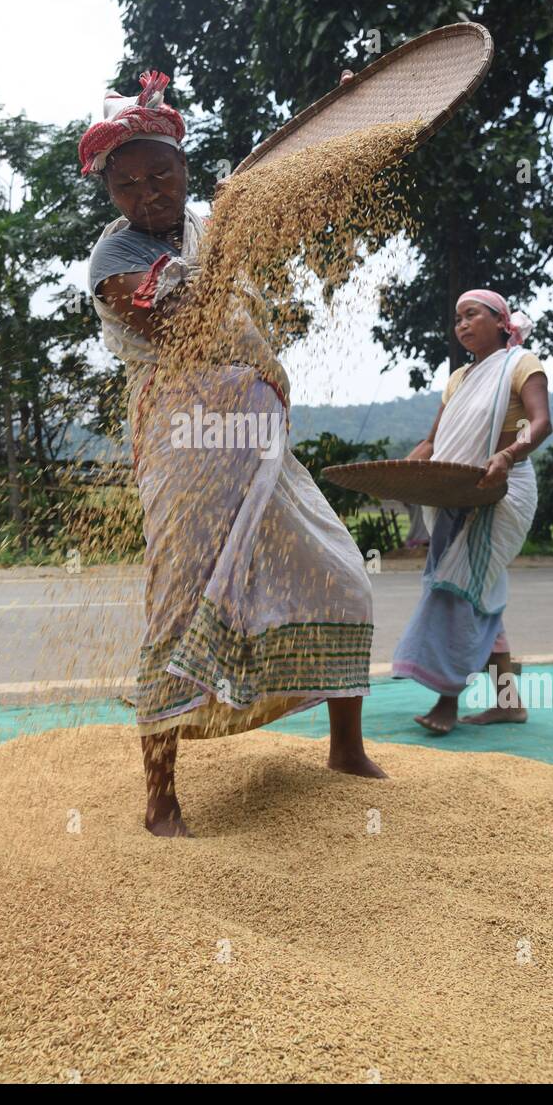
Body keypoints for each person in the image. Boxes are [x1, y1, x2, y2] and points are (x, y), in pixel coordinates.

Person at [80, 70, 384, 837]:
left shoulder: (212, 226)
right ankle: (161, 799)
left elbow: (300, 204)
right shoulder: (114, 259)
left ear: (184, 171)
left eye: (160, 174)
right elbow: (179, 320)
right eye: (127, 184)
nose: (146, 193)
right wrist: (234, 240)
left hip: (258, 440)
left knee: (338, 571)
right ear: (110, 193)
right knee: (179, 599)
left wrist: (346, 131)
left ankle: (344, 748)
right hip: (186, 438)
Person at [391, 290, 553, 734]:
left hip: (503, 490)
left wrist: (509, 455)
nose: (462, 324)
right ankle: (508, 702)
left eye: (472, 314)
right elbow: (432, 441)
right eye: (457, 318)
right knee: (481, 592)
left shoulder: (523, 364)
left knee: (457, 588)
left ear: (502, 322)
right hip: (454, 493)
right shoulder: (459, 378)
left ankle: (447, 697)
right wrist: (400, 473)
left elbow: (542, 423)